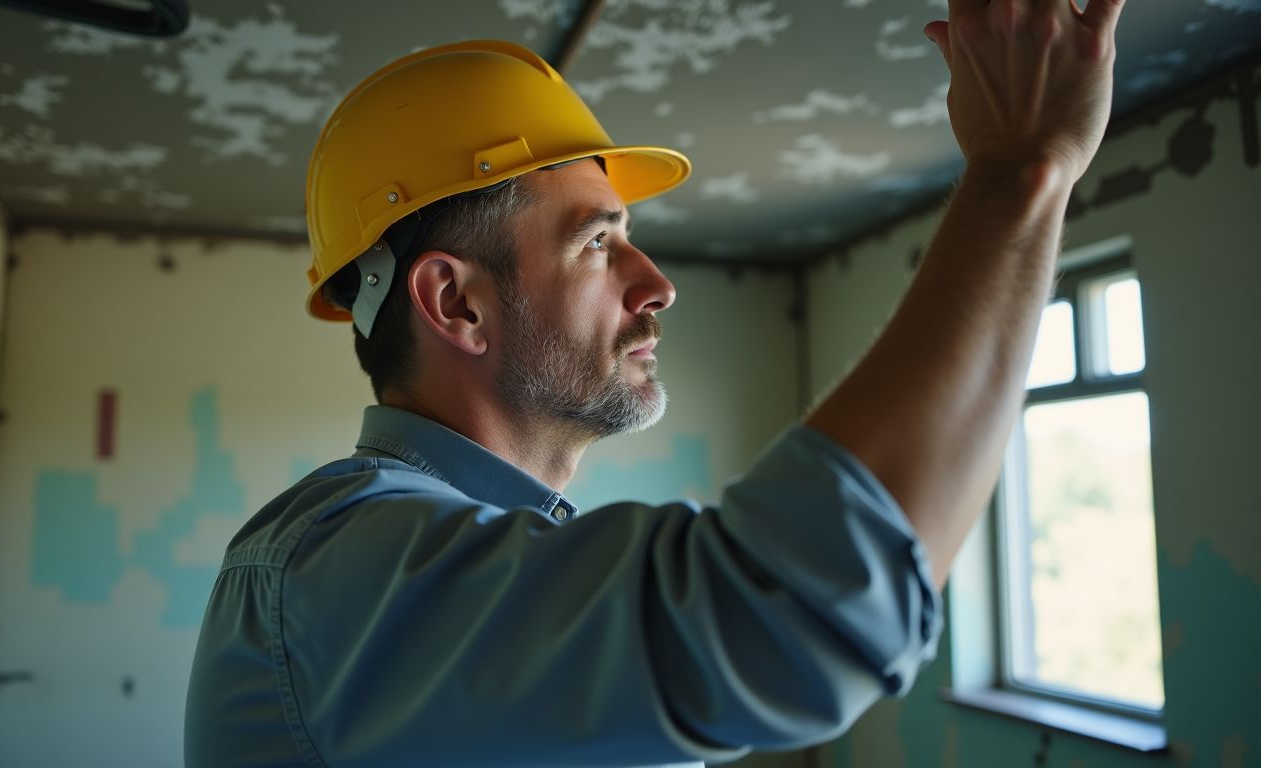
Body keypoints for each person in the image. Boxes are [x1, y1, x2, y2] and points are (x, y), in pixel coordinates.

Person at [185, 0, 1125, 764]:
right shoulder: (331, 575)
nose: (658, 284)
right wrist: (1017, 175)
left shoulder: (480, 563)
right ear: (455, 304)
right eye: (598, 243)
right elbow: (789, 616)